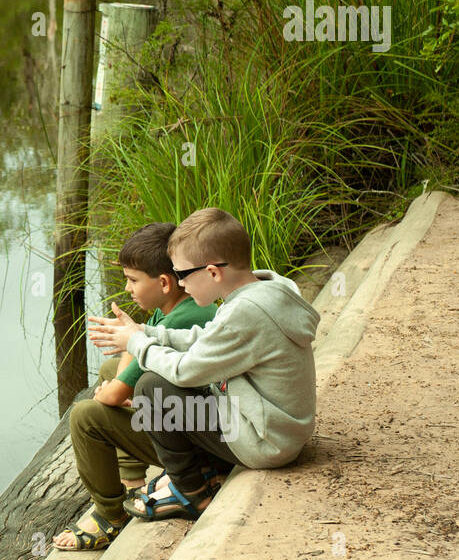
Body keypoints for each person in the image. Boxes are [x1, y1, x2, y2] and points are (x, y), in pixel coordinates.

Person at [89, 207, 320, 523]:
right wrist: (148, 333)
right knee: (161, 378)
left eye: (183, 275)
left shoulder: (246, 314)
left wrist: (136, 344)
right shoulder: (264, 291)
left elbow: (185, 370)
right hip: (278, 428)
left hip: (266, 442)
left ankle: (191, 491)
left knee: (152, 387)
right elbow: (208, 337)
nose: (181, 284)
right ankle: (204, 470)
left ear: (212, 272)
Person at [52, 222, 219, 551]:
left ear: (164, 283)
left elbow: (113, 395)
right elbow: (125, 374)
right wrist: (132, 340)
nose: (127, 289)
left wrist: (130, 340)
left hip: (205, 447)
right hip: (198, 421)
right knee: (109, 368)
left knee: (85, 416)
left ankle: (110, 516)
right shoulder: (176, 309)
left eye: (132, 280)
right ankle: (131, 482)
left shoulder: (177, 320)